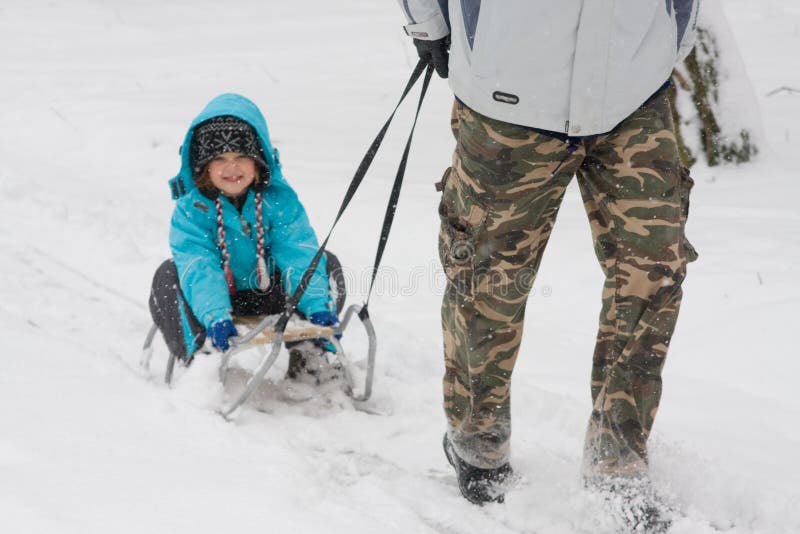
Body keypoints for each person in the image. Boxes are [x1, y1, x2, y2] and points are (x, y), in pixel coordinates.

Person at [397, 0, 700, 524]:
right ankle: (477, 442)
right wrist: (431, 23)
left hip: (634, 89)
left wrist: (667, 42)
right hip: (508, 99)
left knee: (653, 271)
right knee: (489, 280)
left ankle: (617, 464)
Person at [149, 93, 345, 380]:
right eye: (220, 159)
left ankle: (310, 350)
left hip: (271, 293)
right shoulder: (192, 209)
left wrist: (315, 305)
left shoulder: (279, 200)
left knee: (327, 263)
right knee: (168, 277)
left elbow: (297, 251)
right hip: (218, 301)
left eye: (242, 156)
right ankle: (202, 361)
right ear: (204, 165)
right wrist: (215, 314)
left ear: (259, 160)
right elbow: (198, 264)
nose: (233, 167)